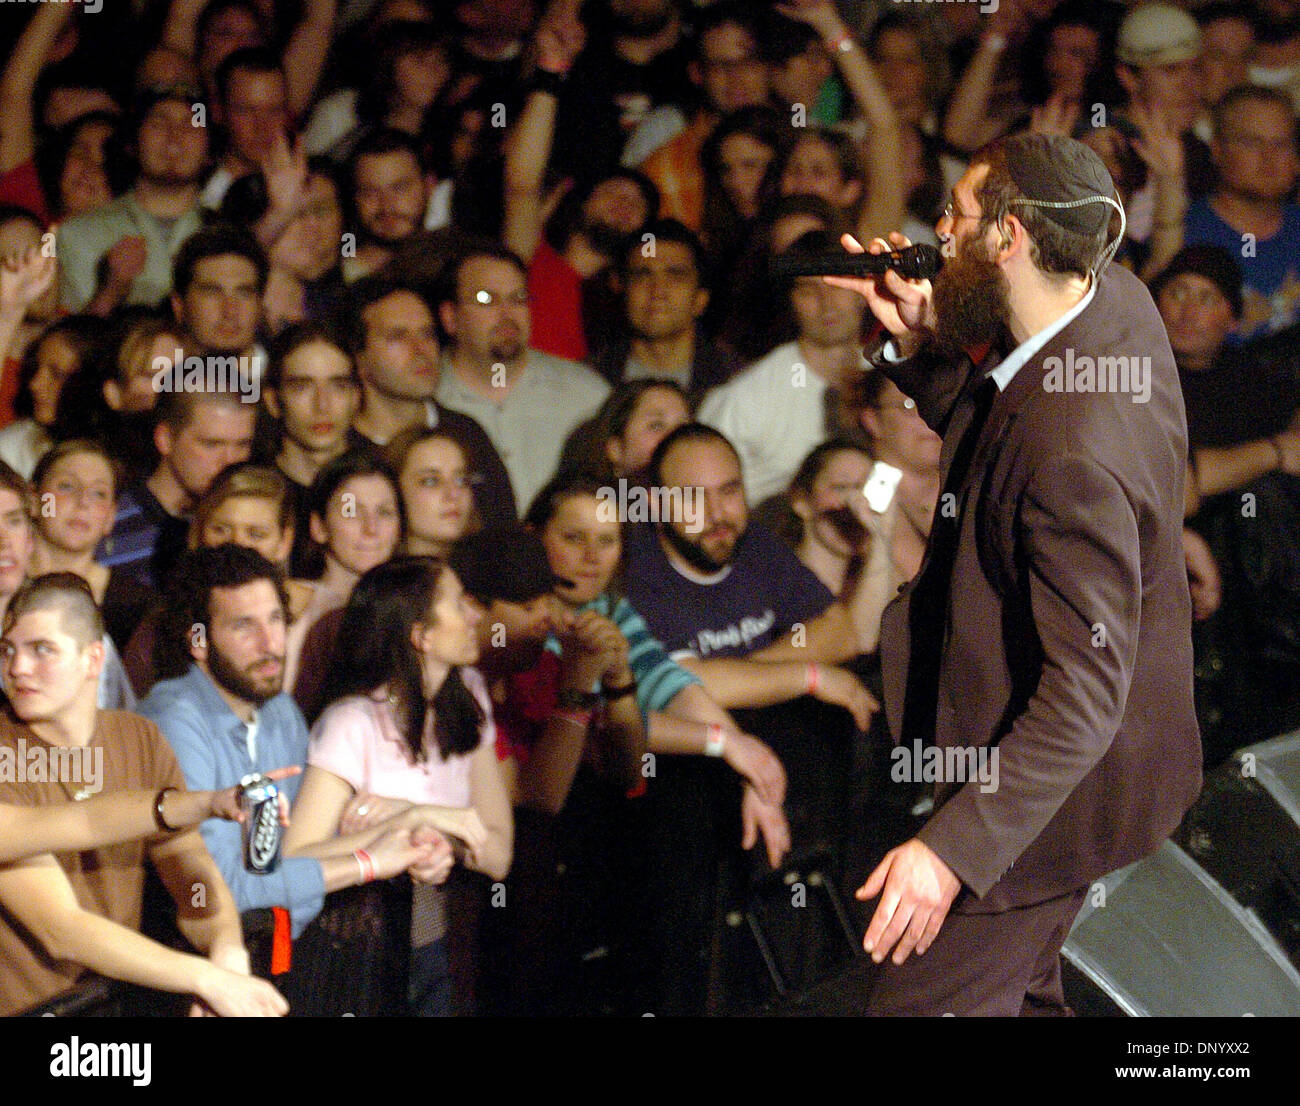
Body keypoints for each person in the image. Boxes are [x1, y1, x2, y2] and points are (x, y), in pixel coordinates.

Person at [830, 132, 1201, 1015]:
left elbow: (1082, 694)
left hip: (1052, 807)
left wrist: (948, 853)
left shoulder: (1077, 449)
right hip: (1094, 780)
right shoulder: (1113, 303)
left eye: (955, 216)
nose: (937, 234)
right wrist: (917, 344)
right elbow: (1004, 417)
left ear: (1012, 235)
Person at [0, 572, 286, 1017]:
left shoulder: (138, 736)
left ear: (93, 659)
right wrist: (206, 979)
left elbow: (188, 869)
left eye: (41, 650)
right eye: (8, 650)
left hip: (116, 1005)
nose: (17, 668)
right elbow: (62, 929)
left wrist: (226, 950)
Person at [288, 555, 513, 1016]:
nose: (476, 616)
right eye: (458, 604)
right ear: (420, 635)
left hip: (435, 946)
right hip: (354, 952)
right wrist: (418, 818)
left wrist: (425, 827)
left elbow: (498, 854)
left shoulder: (467, 697)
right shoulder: (351, 722)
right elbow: (294, 860)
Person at [699, 229, 869, 506]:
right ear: (790, 301)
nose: (826, 303)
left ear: (863, 291)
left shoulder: (894, 379)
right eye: (807, 289)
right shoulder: (746, 396)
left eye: (838, 284)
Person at [436, 244, 611, 512]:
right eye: (486, 299)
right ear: (450, 318)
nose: (507, 315)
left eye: (518, 298)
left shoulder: (586, 394)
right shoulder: (426, 399)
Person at [344, 278, 516, 527]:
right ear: (358, 356)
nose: (420, 349)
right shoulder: (342, 449)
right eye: (397, 336)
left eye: (427, 334)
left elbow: (505, 536)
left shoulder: (465, 433)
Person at [56, 90, 210, 315]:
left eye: (192, 124)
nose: (175, 136)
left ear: (209, 149)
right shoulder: (78, 233)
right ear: (132, 143)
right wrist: (109, 291)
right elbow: (68, 344)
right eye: (158, 123)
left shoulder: (228, 230)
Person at [98, 390, 257, 587]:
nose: (230, 460)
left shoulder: (257, 527)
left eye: (243, 445)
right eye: (211, 444)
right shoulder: (106, 524)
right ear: (165, 439)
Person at [1179, 86, 1300, 342]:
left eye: (1281, 144)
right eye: (1251, 143)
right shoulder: (1184, 233)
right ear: (1217, 150)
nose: (1269, 158)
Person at [28, 439, 152, 652]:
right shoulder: (6, 582)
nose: (83, 502)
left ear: (111, 515)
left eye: (98, 493)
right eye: (66, 486)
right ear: (34, 500)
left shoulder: (137, 606)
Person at [591, 220, 740, 395]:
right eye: (642, 276)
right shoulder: (585, 381)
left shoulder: (738, 384)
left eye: (675, 276)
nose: (657, 290)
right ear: (623, 290)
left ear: (701, 299)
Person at [385, 427, 478, 557]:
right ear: (394, 491)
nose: (453, 494)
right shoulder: (373, 575)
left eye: (461, 481)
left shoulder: (495, 569)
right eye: (431, 481)